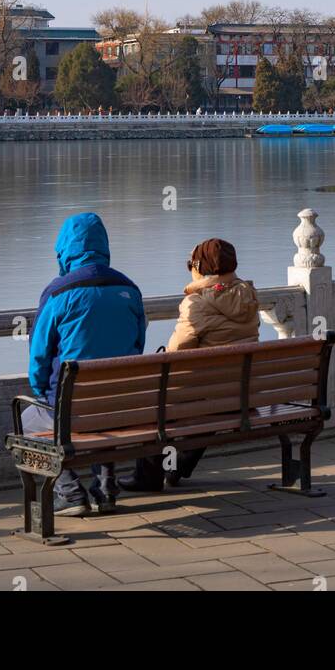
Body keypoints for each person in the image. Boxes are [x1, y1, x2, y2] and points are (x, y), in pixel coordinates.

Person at [23, 211, 146, 516]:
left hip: (69, 408)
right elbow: (137, 345)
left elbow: (38, 354)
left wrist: (41, 392)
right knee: (103, 412)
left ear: (64, 249)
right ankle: (105, 489)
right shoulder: (129, 289)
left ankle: (69, 492)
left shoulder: (58, 292)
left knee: (25, 423)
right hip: (120, 405)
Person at [119, 237, 259, 493]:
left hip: (206, 394)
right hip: (241, 392)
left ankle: (148, 476)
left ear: (199, 267)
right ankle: (178, 467)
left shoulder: (197, 303)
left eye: (190, 264)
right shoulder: (248, 295)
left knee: (157, 398)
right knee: (208, 399)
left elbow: (175, 352)